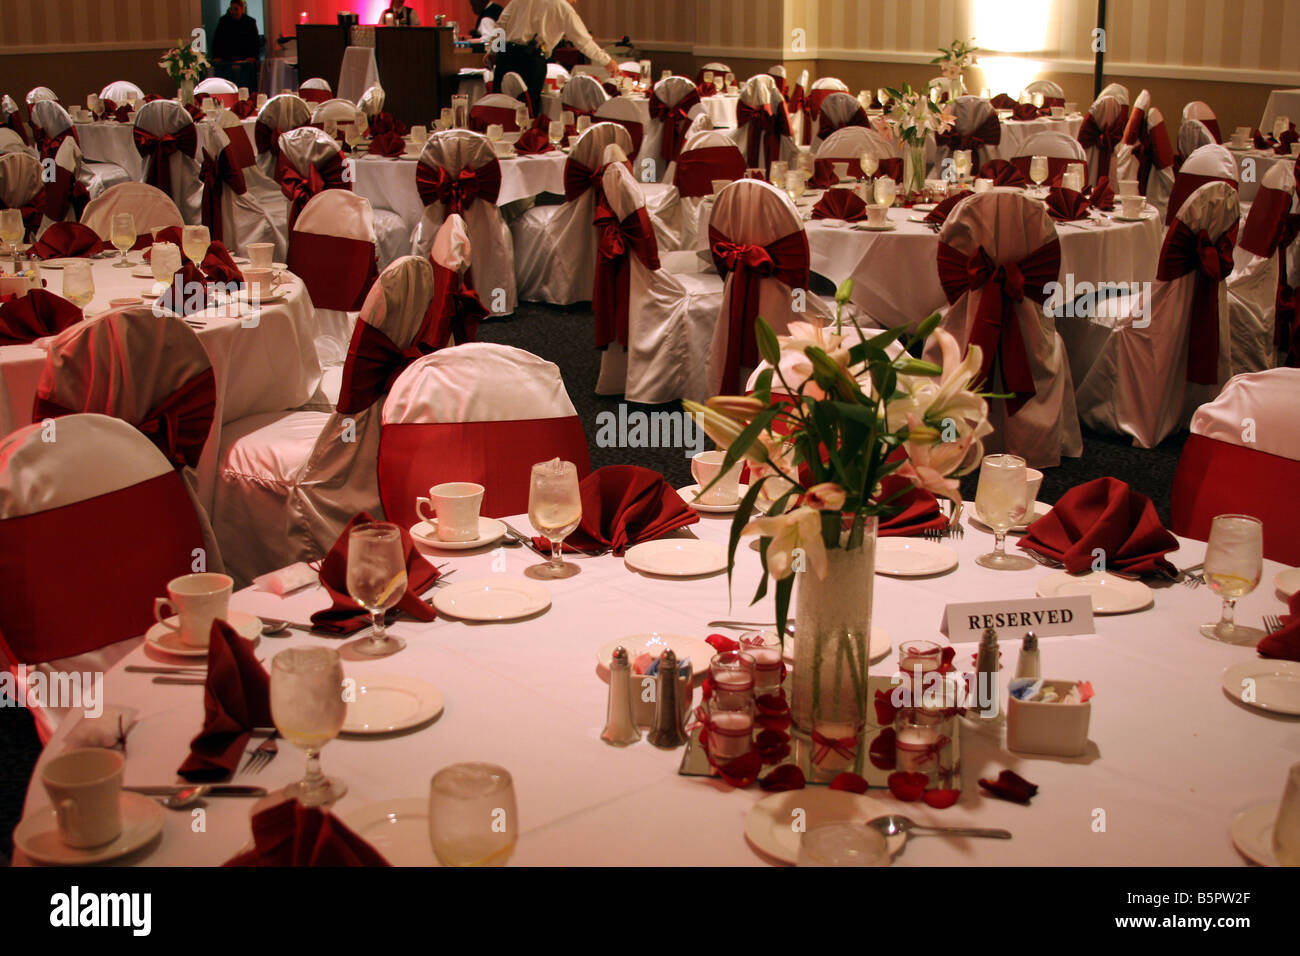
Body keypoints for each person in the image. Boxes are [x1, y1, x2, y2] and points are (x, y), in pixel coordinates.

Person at [489, 0, 615, 117]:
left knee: (498, 108)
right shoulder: (562, 7)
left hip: (505, 58)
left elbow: (500, 25)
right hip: (531, 63)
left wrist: (493, 51)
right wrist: (607, 61)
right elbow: (584, 42)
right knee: (527, 113)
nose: (575, 1)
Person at [211, 0, 260, 92]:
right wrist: (217, 56)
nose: (233, 12)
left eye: (236, 9)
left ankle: (245, 95)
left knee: (246, 73)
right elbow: (217, 41)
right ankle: (225, 93)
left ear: (242, 9)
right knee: (223, 71)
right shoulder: (224, 22)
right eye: (231, 9)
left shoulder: (250, 22)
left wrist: (252, 56)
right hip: (227, 58)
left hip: (245, 58)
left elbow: (255, 42)